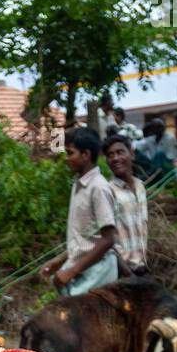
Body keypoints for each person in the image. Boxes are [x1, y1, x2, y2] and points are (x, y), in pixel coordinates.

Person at [41, 126, 117, 294]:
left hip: (96, 273)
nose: (66, 158)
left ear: (86, 155)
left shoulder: (98, 188)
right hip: (82, 269)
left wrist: (72, 271)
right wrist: (59, 262)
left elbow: (107, 240)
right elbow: (84, 239)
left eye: (70, 153)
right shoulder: (79, 184)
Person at [103, 133, 148, 275]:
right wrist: (128, 274)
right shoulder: (107, 191)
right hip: (121, 272)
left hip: (141, 267)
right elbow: (106, 241)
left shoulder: (140, 186)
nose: (115, 158)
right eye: (110, 155)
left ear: (132, 155)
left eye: (120, 152)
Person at [134, 118, 177, 183]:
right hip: (153, 167)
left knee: (159, 155)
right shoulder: (150, 139)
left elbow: (171, 158)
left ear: (163, 128)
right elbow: (137, 146)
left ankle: (155, 178)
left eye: (159, 127)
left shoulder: (170, 139)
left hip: (167, 166)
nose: (158, 130)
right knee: (136, 154)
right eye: (155, 127)